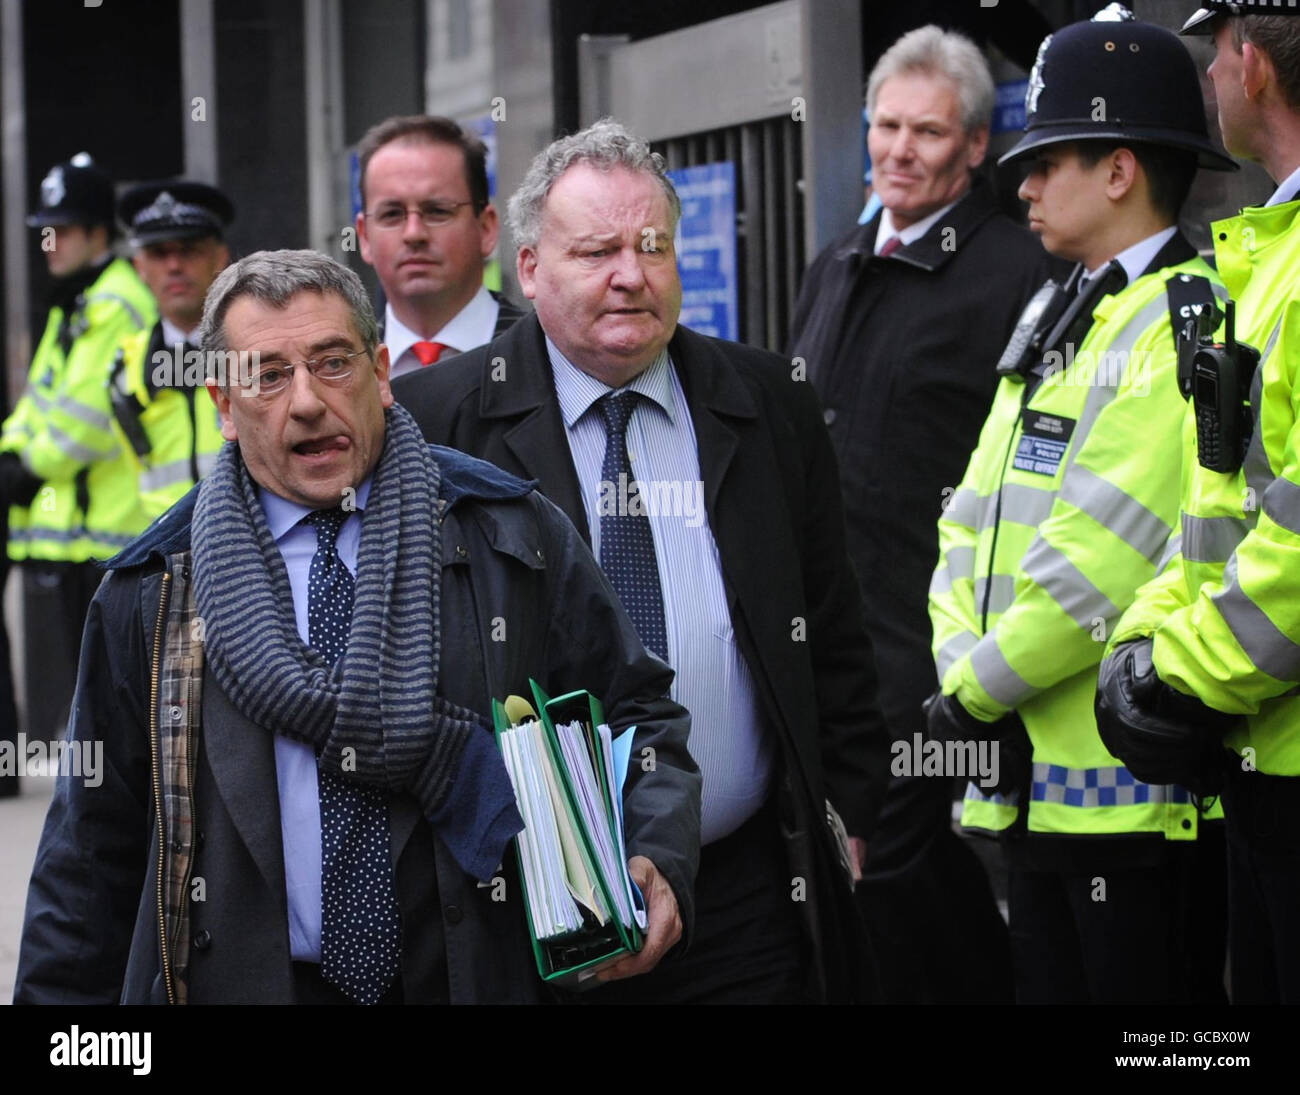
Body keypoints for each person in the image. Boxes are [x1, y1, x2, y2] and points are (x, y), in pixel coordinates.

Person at [14, 250, 701, 1004]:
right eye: (267, 376)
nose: (306, 401)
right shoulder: (150, 589)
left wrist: (656, 850)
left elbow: (640, 712)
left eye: (332, 362)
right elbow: (89, 852)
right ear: (220, 403)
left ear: (381, 371)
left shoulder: (510, 532)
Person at [394, 119, 888, 1004]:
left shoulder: (766, 400)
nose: (631, 275)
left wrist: (847, 810)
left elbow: (832, 628)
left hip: (744, 895)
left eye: (652, 246)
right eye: (597, 251)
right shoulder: (433, 418)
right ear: (532, 268)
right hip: (527, 905)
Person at [929, 9, 1237, 1005]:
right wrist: (962, 673)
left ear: (1117, 171)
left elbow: (1100, 557)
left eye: (1046, 158)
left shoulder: (1181, 315)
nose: (1020, 184)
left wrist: (971, 693)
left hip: (1128, 807)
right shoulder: (1061, 303)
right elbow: (965, 516)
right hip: (1029, 791)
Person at [787, 24, 1056, 1003]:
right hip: (835, 667)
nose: (897, 150)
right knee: (864, 899)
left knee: (913, 889)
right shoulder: (834, 263)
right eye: (884, 126)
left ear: (977, 147)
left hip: (943, 669)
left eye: (927, 133)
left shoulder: (1016, 278)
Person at [1097, 0, 1300, 1005]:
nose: (1211, 74)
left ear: (1252, 61)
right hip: (1260, 756)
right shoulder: (1270, 250)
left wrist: (1169, 674)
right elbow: (1224, 508)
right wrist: (1149, 640)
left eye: (1214, 47)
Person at [0, 153, 155, 745]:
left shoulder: (114, 302)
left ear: (98, 234)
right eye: (45, 230)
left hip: (111, 534)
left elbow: (85, 423)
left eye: (62, 230)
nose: (49, 243)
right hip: (78, 534)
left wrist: (28, 463)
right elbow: (36, 399)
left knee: (115, 707)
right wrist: (13, 451)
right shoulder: (78, 301)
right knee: (96, 702)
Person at [356, 115, 523, 375]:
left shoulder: (550, 359)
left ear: (486, 228)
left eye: (437, 211)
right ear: (364, 237)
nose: (414, 234)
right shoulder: (344, 375)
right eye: (392, 214)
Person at [108, 181, 233, 520]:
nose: (174, 266)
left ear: (219, 257)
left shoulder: (256, 356)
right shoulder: (124, 370)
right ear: (140, 268)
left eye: (189, 250)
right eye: (159, 254)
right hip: (162, 559)